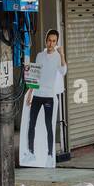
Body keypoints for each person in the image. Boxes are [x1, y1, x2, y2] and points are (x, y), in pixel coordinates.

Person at [26, 29, 67, 160]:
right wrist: (30, 93)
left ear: (56, 42)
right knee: (31, 123)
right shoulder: (40, 55)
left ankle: (50, 154)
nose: (51, 43)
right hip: (38, 94)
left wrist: (62, 55)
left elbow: (63, 71)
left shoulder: (57, 57)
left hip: (49, 95)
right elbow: (35, 74)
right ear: (46, 40)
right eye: (49, 40)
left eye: (54, 41)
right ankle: (31, 152)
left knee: (48, 125)